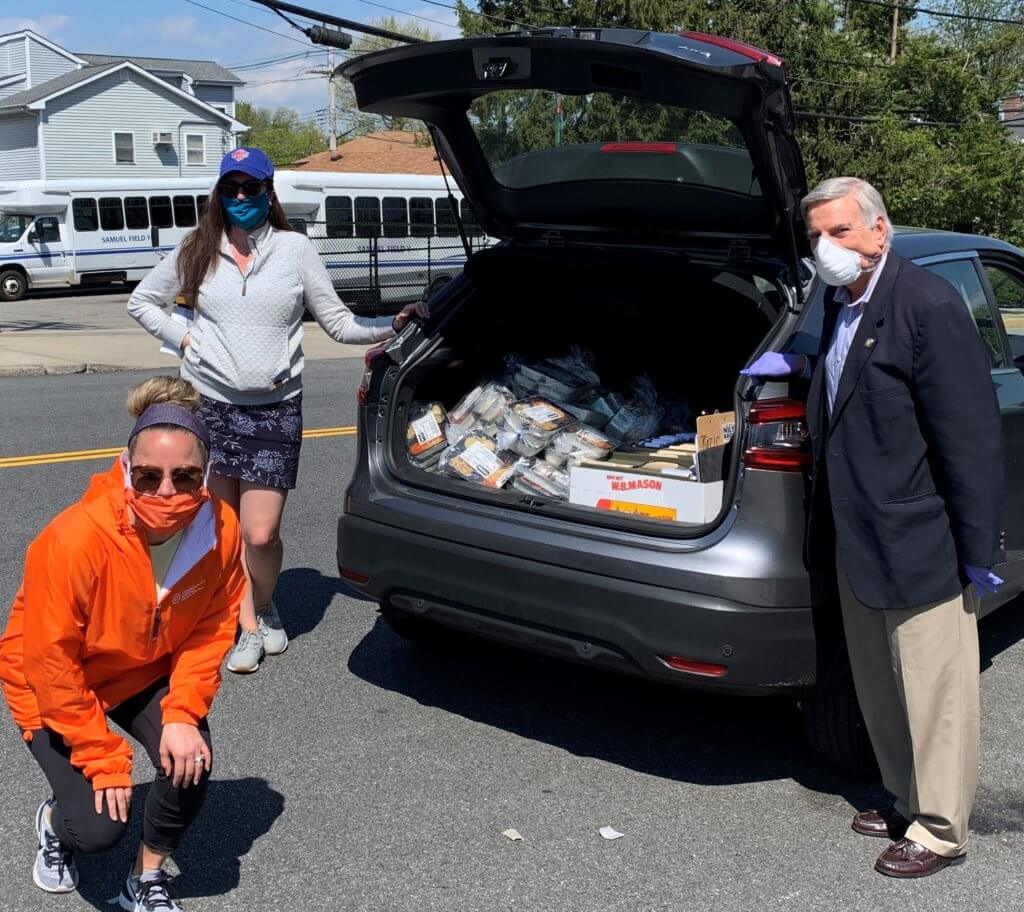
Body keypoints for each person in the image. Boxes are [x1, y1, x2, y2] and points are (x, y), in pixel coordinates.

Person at [743, 177, 1004, 878]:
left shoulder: (927, 304)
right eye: (817, 236)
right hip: (856, 532)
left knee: (934, 689)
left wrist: (979, 547)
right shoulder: (840, 300)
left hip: (920, 535)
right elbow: (846, 376)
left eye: (840, 231)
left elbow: (969, 437)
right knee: (882, 685)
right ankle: (905, 798)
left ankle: (941, 829)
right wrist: (796, 365)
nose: (826, 247)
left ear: (879, 230)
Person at [128, 147, 427, 674]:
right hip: (210, 406)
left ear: (269, 193)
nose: (241, 196)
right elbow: (142, 302)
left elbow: (339, 323)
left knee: (260, 533)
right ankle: (245, 623)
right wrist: (186, 338)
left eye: (251, 187)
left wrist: (391, 325)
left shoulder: (295, 250)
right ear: (220, 194)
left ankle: (263, 605)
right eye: (231, 188)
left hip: (274, 410)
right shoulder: (198, 247)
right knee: (223, 531)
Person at [0, 377, 245, 912]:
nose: (166, 492)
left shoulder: (220, 529)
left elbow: (213, 626)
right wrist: (101, 755)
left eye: (185, 476)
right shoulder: (74, 539)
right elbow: (50, 660)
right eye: (149, 476)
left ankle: (145, 877)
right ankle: (55, 821)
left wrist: (183, 712)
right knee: (96, 829)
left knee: (189, 761)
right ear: (126, 466)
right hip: (48, 679)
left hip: (137, 668)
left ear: (206, 475)